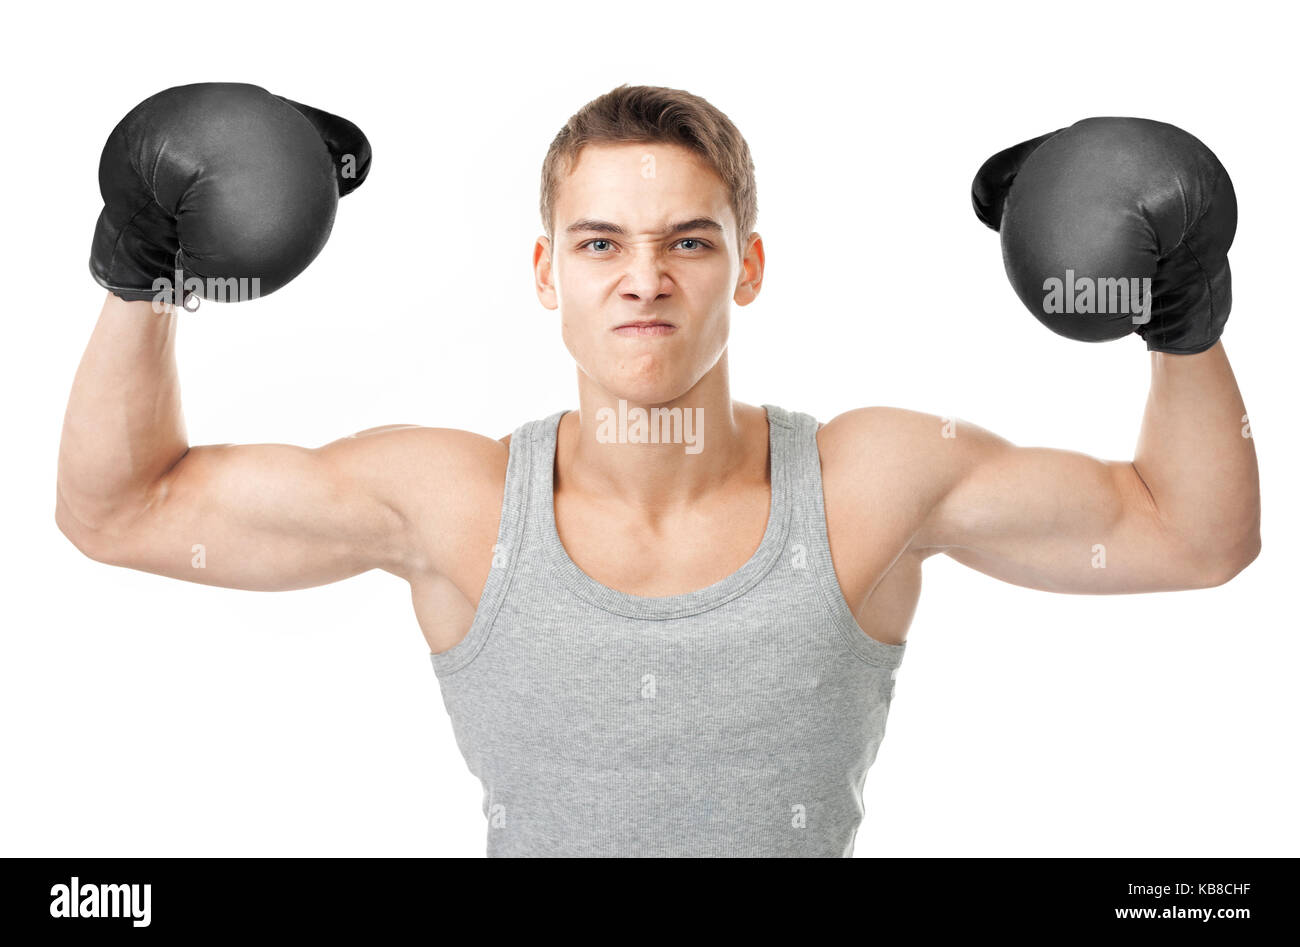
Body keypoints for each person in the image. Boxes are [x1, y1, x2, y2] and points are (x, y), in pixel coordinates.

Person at [56, 83, 1261, 857]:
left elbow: (1190, 533)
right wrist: (141, 278)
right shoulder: (457, 504)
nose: (645, 278)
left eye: (690, 240)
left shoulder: (870, 483)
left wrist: (1182, 320)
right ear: (547, 273)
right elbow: (120, 509)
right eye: (600, 244)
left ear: (746, 268)